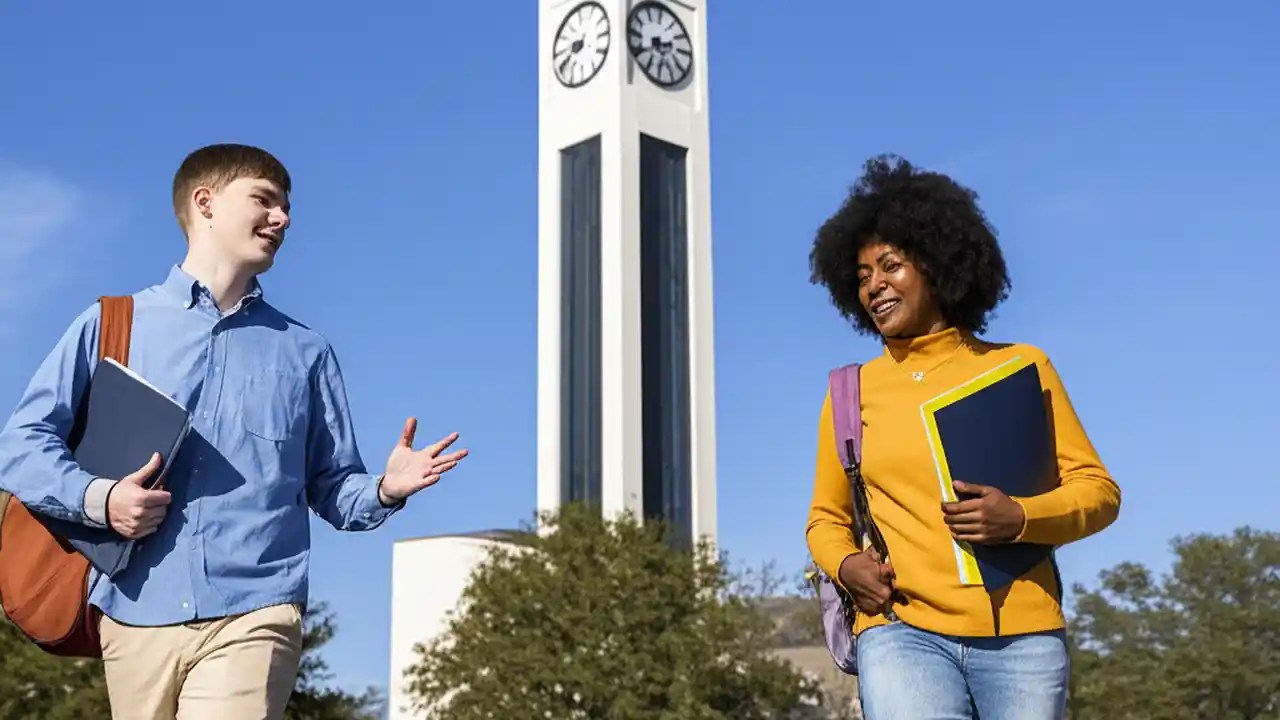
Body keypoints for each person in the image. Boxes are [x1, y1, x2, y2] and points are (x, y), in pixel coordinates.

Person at [0, 143, 469, 720]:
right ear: (206, 203)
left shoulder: (306, 353)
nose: (283, 219)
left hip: (256, 612)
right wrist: (102, 500)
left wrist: (383, 490)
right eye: (265, 200)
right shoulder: (110, 324)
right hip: (132, 612)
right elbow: (20, 445)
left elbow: (332, 487)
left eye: (287, 208)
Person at [805, 155, 1120, 719]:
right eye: (861, 276)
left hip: (1024, 635)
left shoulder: (1022, 368)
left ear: (937, 263)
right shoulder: (848, 392)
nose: (874, 285)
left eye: (891, 265)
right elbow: (825, 518)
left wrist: (1020, 517)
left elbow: (1098, 492)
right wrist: (846, 566)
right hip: (899, 631)